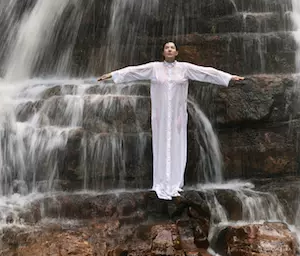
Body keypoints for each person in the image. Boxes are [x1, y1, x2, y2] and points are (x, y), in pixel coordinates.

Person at [98, 41, 244, 200]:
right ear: (163, 52)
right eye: (167, 47)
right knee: (160, 147)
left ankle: (175, 183)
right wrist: (112, 75)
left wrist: (228, 77)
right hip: (160, 117)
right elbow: (133, 71)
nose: (169, 49)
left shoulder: (184, 68)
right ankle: (160, 183)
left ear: (176, 53)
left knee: (178, 146)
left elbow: (206, 73)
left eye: (172, 48)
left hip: (177, 117)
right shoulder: (154, 68)